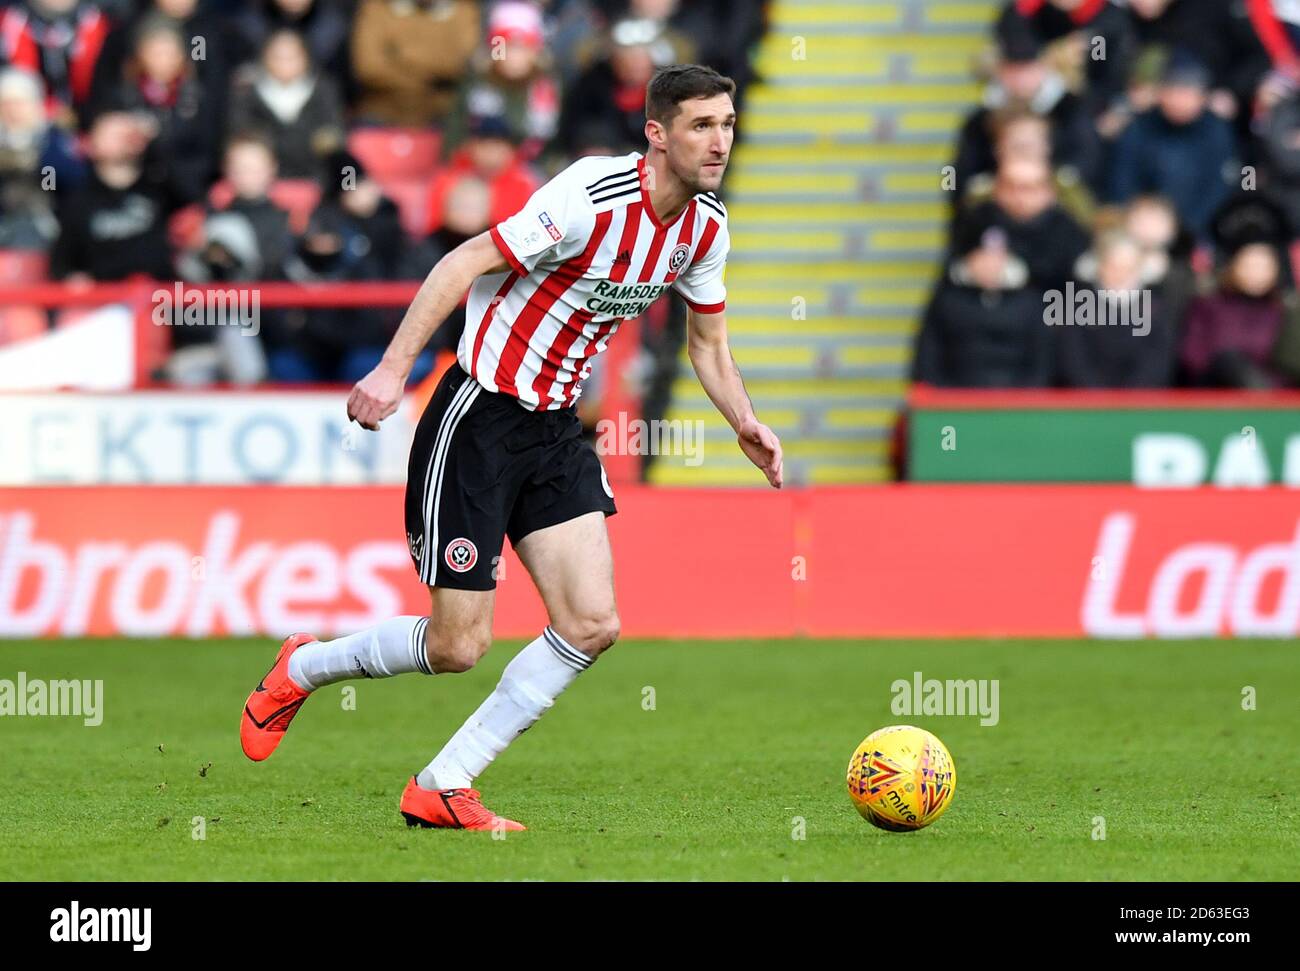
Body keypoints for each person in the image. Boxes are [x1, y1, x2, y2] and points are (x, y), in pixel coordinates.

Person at [239, 64, 783, 831]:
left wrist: (743, 421)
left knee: (592, 622)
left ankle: (443, 781)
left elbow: (709, 345)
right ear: (656, 135)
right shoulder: (590, 196)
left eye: (727, 124)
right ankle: (303, 664)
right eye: (702, 125)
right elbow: (462, 262)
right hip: (479, 415)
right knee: (459, 645)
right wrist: (394, 370)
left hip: (555, 430)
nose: (720, 140)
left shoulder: (706, 228)